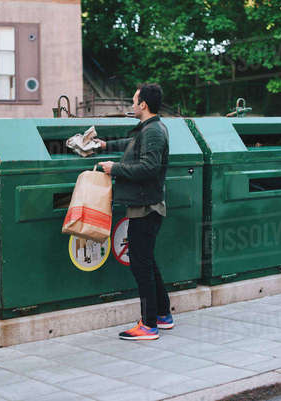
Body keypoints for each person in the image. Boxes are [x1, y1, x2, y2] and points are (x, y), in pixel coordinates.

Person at [97, 83, 174, 341]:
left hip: (145, 207)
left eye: (134, 100)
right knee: (147, 261)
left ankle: (148, 325)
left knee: (141, 265)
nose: (132, 105)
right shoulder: (151, 129)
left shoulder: (153, 131)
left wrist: (114, 169)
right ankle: (163, 315)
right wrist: (102, 145)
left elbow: (149, 167)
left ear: (143, 104)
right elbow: (131, 144)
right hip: (147, 205)